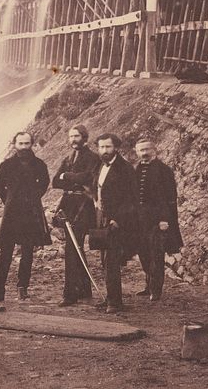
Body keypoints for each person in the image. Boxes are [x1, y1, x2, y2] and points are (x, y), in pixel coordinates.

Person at [0, 132, 52, 302]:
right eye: (21, 143)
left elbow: (45, 183)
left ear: (31, 144)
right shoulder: (7, 165)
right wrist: (9, 199)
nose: (24, 147)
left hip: (31, 214)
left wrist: (34, 197)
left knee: (27, 252)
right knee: (6, 251)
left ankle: (22, 287)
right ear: (15, 144)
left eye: (27, 143)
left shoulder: (39, 164)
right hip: (12, 214)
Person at [52, 124, 102, 306]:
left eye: (77, 136)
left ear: (84, 138)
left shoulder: (93, 157)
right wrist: (73, 178)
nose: (73, 139)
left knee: (72, 248)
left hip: (84, 206)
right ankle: (84, 289)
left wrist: (67, 176)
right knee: (75, 246)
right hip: (68, 206)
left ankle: (70, 294)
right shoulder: (68, 157)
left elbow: (88, 178)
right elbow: (55, 181)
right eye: (71, 136)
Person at [92, 133, 139, 314]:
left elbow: (131, 199)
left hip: (117, 221)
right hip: (101, 217)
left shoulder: (125, 169)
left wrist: (117, 219)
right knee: (105, 261)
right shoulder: (100, 165)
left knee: (112, 261)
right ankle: (110, 297)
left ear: (116, 148)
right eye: (101, 147)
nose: (104, 150)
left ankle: (115, 302)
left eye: (108, 147)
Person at [133, 138, 182, 302]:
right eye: (141, 150)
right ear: (137, 152)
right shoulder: (136, 169)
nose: (144, 153)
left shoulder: (164, 170)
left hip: (157, 221)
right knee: (143, 253)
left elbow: (169, 198)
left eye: (147, 149)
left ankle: (156, 289)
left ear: (154, 150)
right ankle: (148, 285)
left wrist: (164, 219)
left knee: (156, 254)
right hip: (140, 221)